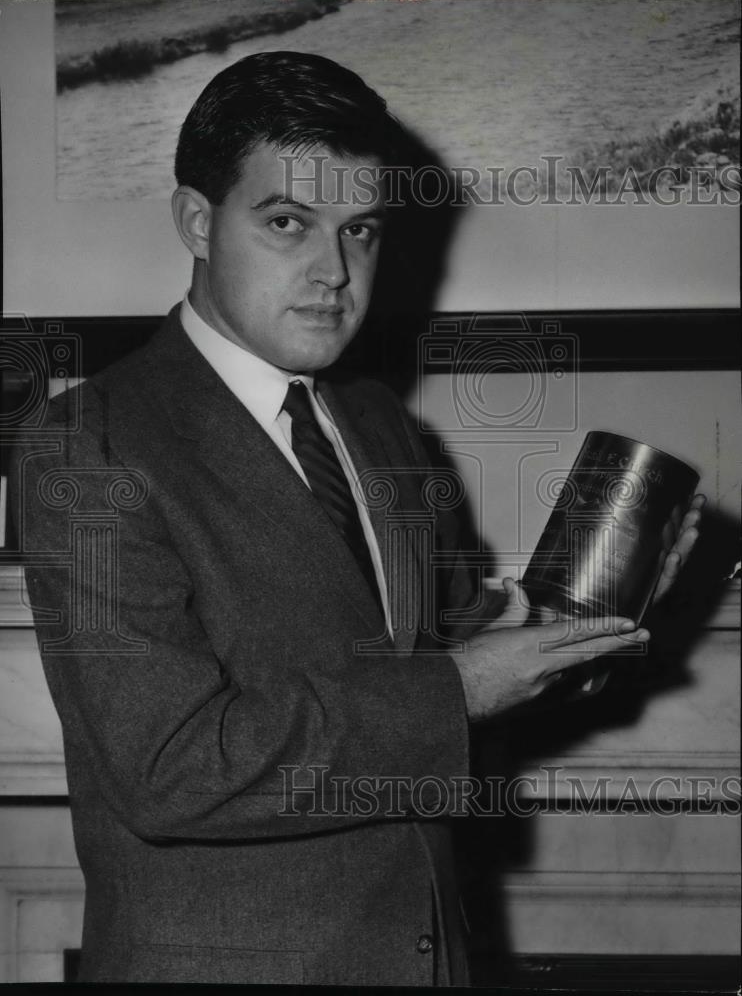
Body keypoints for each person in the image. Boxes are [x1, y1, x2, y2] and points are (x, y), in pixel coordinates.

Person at [11, 51, 702, 986]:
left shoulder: (377, 424)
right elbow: (166, 769)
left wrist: (605, 601)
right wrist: (456, 689)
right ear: (197, 223)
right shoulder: (86, 443)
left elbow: (464, 695)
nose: (334, 271)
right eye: (289, 222)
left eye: (362, 229)